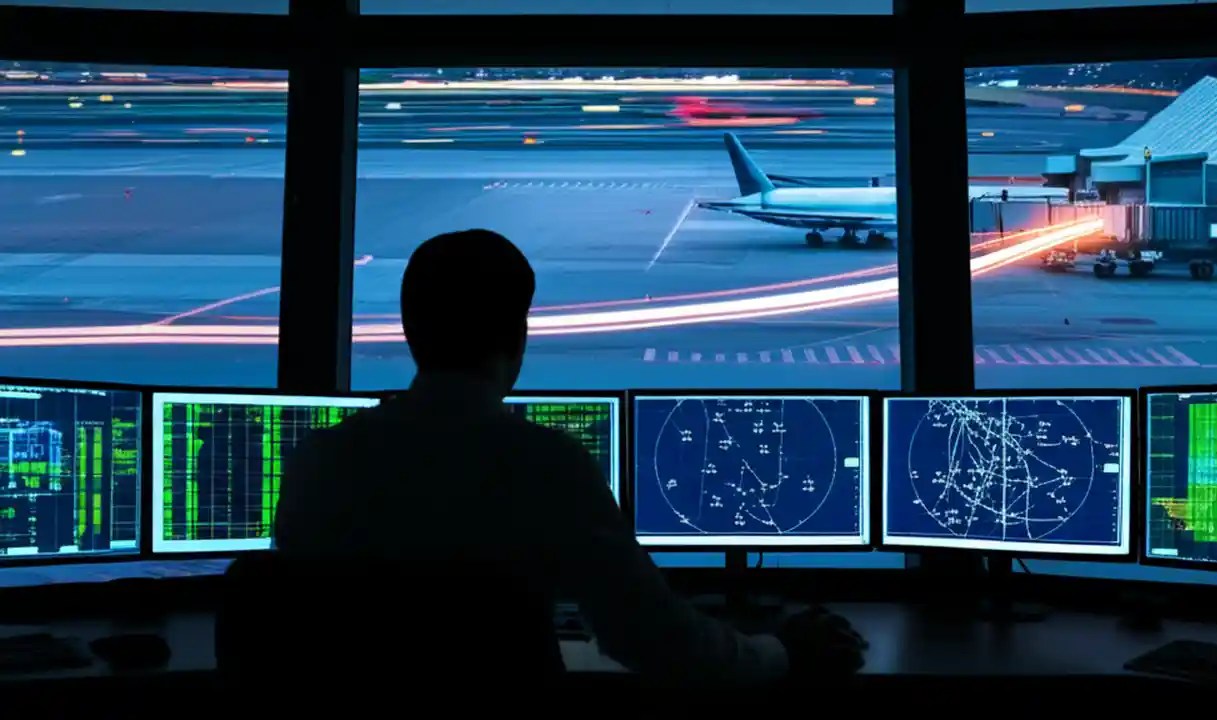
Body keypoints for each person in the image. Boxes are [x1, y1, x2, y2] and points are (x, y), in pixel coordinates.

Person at [273, 229, 864, 686]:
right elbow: (655, 640)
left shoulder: (318, 458)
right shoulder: (543, 463)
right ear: (517, 337)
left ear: (409, 333)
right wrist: (784, 650)